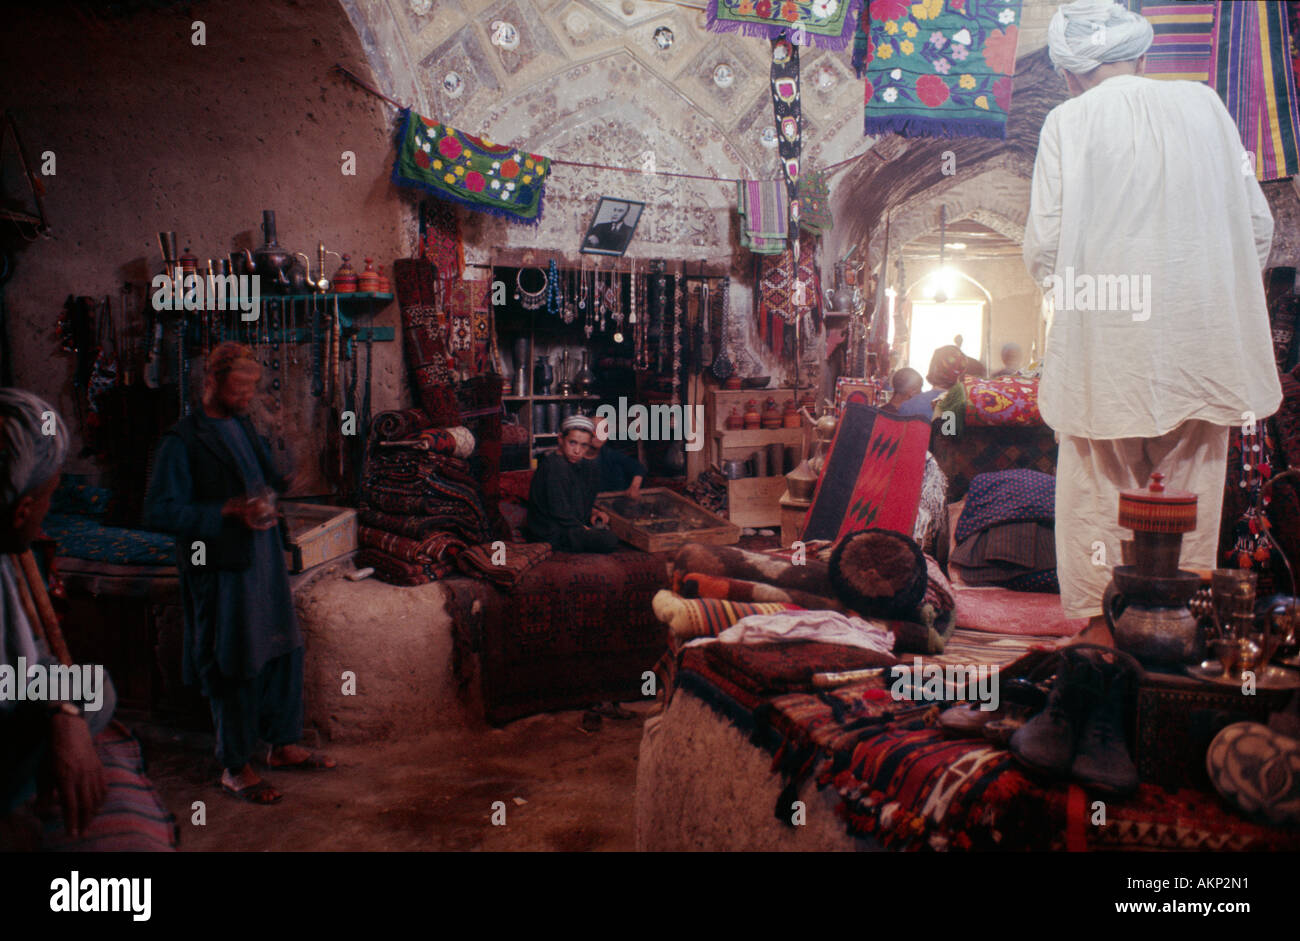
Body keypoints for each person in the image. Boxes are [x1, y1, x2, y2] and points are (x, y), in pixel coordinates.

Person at [1024, 0, 1280, 643]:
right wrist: (1215, 299)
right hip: (1205, 338)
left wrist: (1078, 308)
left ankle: (1099, 637)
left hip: (1105, 339)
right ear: (1143, 56)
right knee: (1190, 488)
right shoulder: (1209, 109)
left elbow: (1047, 245)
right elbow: (1257, 225)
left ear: (1069, 73)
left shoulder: (1068, 121)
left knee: (1096, 486)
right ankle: (1177, 631)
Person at [144, 343, 333, 805]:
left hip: (263, 556)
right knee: (234, 658)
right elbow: (158, 512)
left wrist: (282, 440)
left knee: (283, 646)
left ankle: (283, 745)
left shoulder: (245, 425)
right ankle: (235, 765)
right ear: (210, 382)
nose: (248, 396)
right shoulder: (181, 440)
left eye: (252, 387)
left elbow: (275, 481)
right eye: (240, 387)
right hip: (222, 566)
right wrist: (227, 510)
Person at [0, 389, 116, 847]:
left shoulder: (7, 556)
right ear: (22, 510)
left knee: (93, 689)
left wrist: (63, 713)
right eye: (48, 499)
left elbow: (23, 674)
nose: (48, 515)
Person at [527, 415, 620, 553]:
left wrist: (592, 513)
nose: (577, 451)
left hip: (571, 524)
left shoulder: (585, 467)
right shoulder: (554, 466)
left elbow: (577, 503)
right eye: (572, 443)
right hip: (551, 531)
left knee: (610, 529)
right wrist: (584, 529)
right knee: (609, 540)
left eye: (584, 445)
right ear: (560, 439)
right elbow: (559, 513)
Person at [589, 417, 646, 497]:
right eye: (594, 429)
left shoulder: (607, 453)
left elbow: (638, 467)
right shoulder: (577, 457)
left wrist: (634, 487)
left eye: (604, 430)